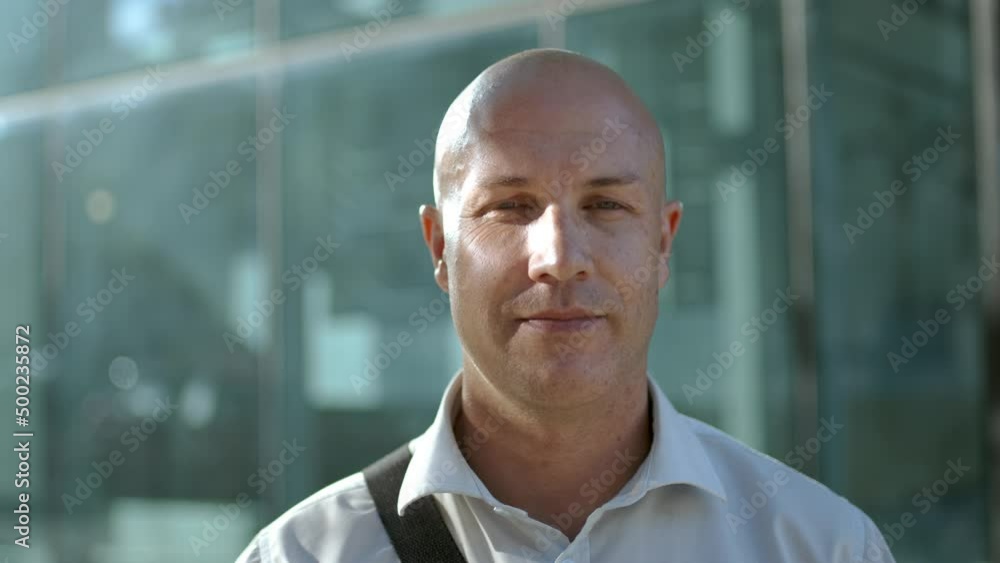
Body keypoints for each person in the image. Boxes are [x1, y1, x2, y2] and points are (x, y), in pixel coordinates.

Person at [236, 48, 895, 563]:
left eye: (605, 204)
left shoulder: (822, 546)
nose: (559, 254)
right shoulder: (301, 554)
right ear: (440, 247)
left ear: (663, 243)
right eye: (510, 206)